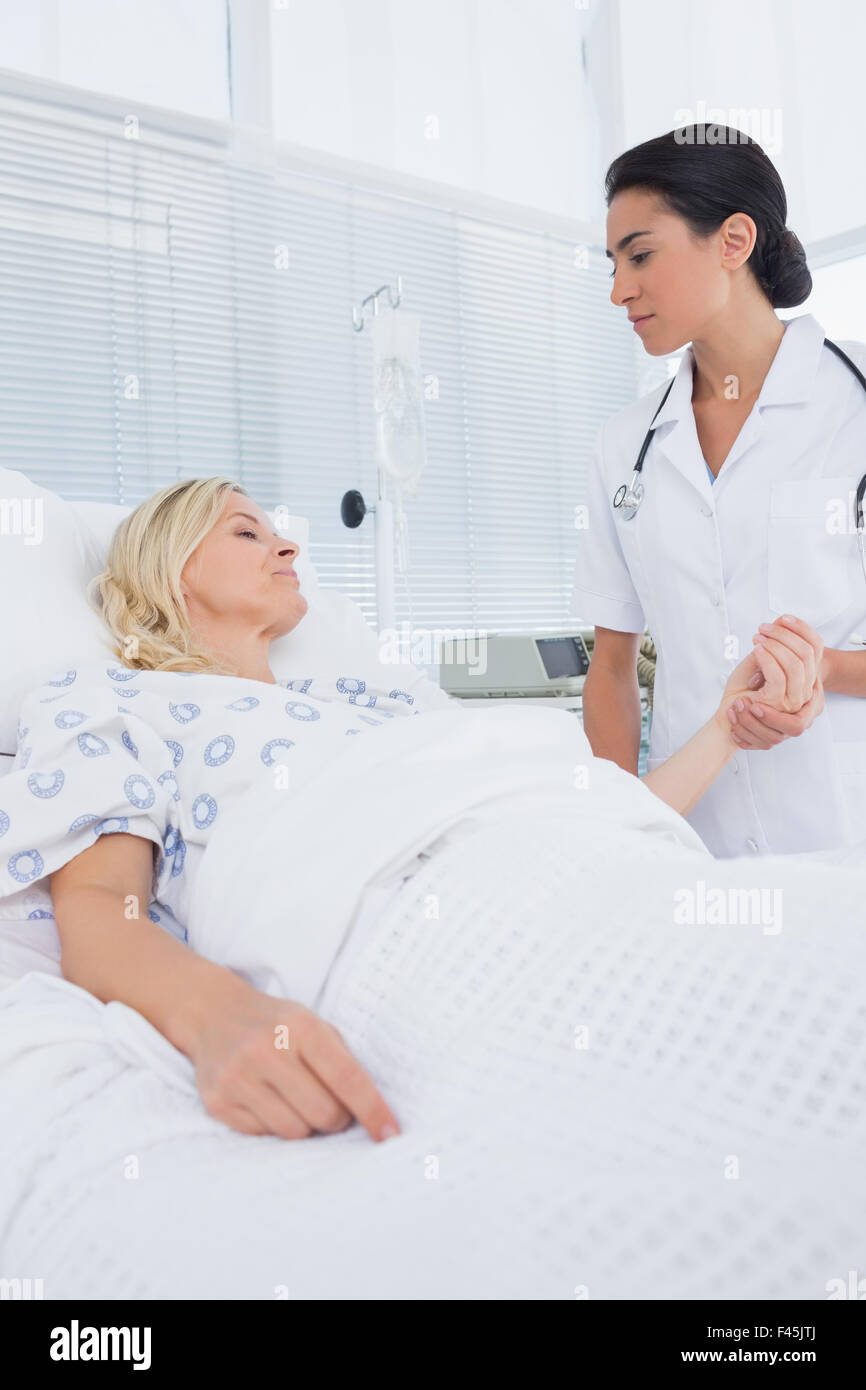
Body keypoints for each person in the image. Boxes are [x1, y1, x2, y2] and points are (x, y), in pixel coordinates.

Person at [2, 477, 821, 1143]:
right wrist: (219, 1017)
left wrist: (726, 728)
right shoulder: (117, 700)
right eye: (246, 532)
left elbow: (592, 809)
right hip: (436, 929)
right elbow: (104, 912)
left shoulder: (371, 698)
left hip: (601, 870)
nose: (289, 546)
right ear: (172, 566)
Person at [572, 124, 866, 858]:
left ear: (733, 241)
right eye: (612, 263)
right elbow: (611, 670)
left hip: (842, 829)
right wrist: (622, 841)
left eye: (640, 255)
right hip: (691, 843)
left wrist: (823, 670)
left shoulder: (855, 402)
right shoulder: (625, 447)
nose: (618, 290)